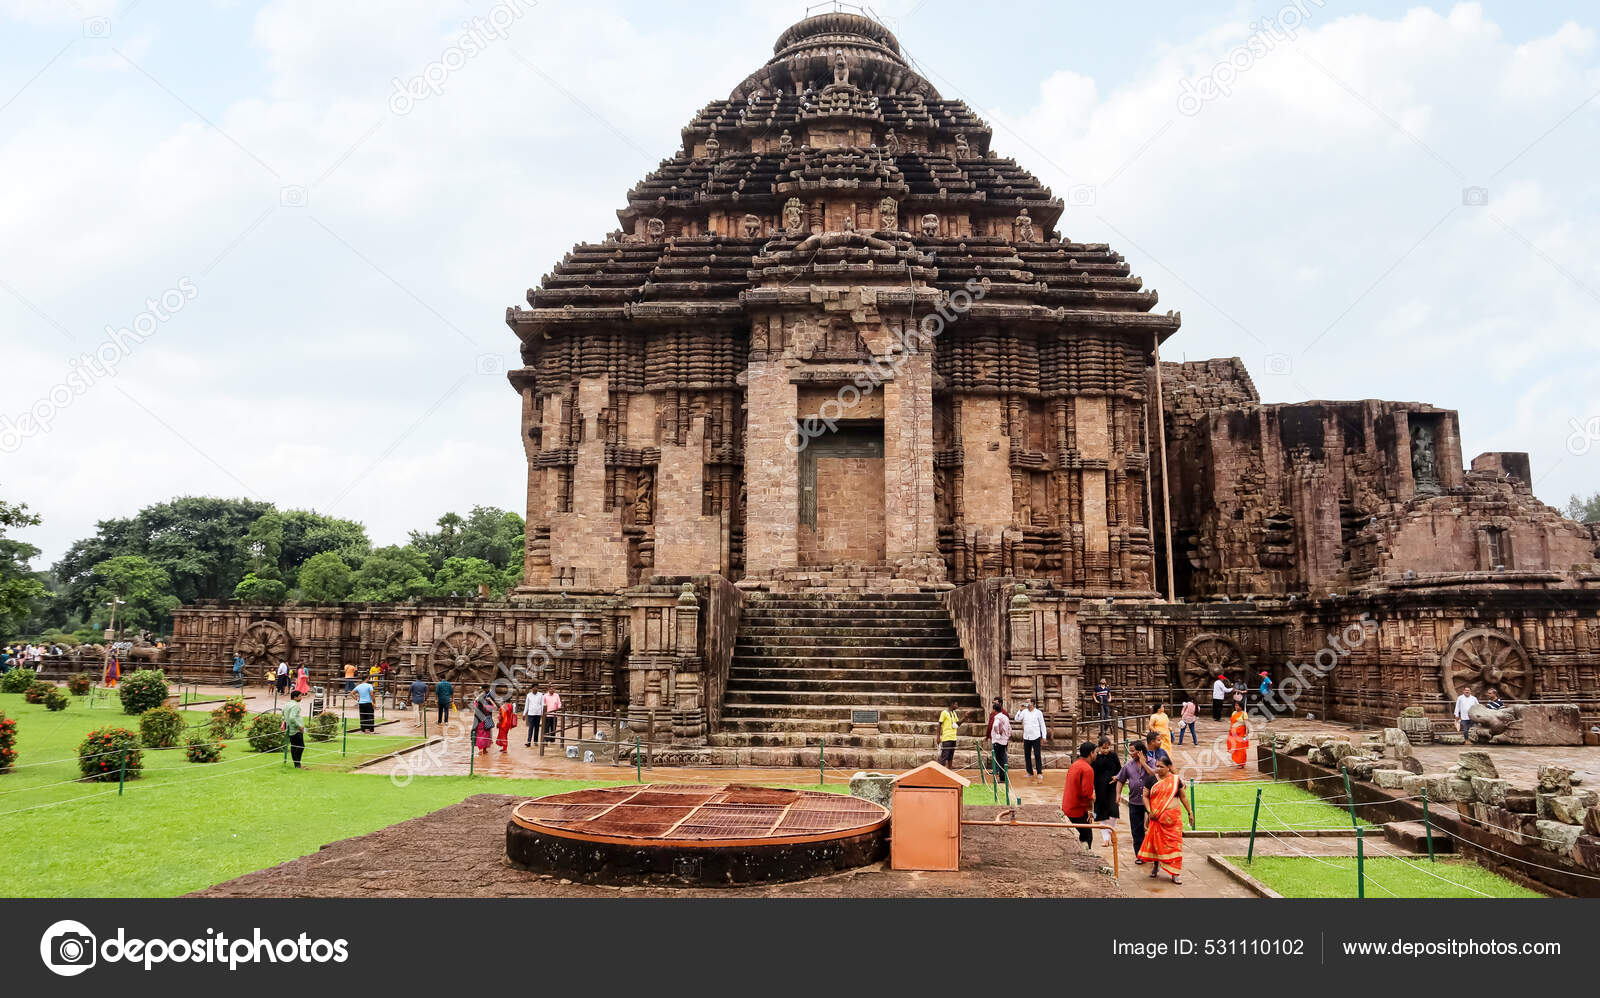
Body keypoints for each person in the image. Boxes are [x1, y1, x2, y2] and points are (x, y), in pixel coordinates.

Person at [1139, 755, 1194, 884]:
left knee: (1175, 845)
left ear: (1169, 767)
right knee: (1157, 843)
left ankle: (1175, 874)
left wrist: (1190, 812)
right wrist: (1149, 811)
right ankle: (1156, 866)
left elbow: (1183, 797)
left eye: (1161, 767)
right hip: (1156, 819)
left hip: (1174, 821)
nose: (1158, 769)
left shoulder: (1176, 780)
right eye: (1156, 766)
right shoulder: (1151, 779)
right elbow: (1145, 797)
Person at [1116, 740, 1154, 862]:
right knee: (1136, 830)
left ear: (1140, 752)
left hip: (1151, 802)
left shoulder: (1153, 762)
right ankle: (1140, 855)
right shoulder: (1128, 766)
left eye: (1132, 751)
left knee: (1153, 828)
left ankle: (1153, 853)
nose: (1130, 753)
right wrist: (1118, 794)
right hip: (1135, 801)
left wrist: (1144, 763)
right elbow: (1120, 780)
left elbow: (1154, 776)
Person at [1061, 742, 1097, 850]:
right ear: (1091, 753)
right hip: (1078, 810)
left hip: (1068, 807)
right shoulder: (1087, 769)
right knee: (1087, 837)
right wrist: (1090, 809)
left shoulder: (1074, 765)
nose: (1096, 754)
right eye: (1095, 752)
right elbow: (1087, 794)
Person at [1092, 737, 1121, 848]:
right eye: (1103, 748)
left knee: (1113, 811)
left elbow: (1120, 769)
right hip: (1100, 788)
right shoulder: (1096, 758)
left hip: (1112, 787)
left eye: (1107, 748)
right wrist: (1093, 790)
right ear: (1099, 747)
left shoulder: (1113, 756)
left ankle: (1110, 832)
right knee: (1102, 814)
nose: (1105, 750)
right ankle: (1105, 838)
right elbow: (1092, 773)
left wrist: (1117, 777)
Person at [1016, 698, 1047, 778]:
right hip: (1026, 737)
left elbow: (1042, 724)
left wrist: (1044, 736)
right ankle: (1029, 772)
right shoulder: (1024, 712)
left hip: (1036, 736)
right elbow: (1017, 719)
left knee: (1037, 754)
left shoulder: (1038, 712)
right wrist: (1020, 710)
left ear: (1032, 703)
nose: (1026, 703)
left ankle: (1039, 772)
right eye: (1026, 702)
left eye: (1028, 702)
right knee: (1027, 755)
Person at [988, 699, 1011, 785]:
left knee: (1000, 760)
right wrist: (1007, 735)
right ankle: (1003, 776)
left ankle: (1002, 778)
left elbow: (995, 725)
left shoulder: (998, 717)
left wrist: (998, 732)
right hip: (1004, 740)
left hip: (998, 741)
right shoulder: (1005, 717)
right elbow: (1009, 727)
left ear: (994, 710)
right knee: (1002, 759)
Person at [283, 689, 306, 768]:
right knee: (300, 746)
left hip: (290, 728)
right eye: (300, 696)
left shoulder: (287, 704)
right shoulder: (295, 705)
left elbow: (283, 713)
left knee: (294, 746)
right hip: (296, 729)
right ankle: (297, 764)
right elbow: (292, 718)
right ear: (295, 697)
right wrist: (299, 726)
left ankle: (296, 764)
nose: (301, 698)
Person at [936, 699, 961, 768]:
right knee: (944, 756)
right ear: (952, 704)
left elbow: (957, 724)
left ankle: (950, 772)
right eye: (956, 704)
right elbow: (939, 725)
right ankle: (940, 772)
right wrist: (938, 737)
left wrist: (965, 718)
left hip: (953, 738)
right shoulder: (944, 712)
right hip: (947, 738)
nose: (957, 706)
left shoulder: (954, 713)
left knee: (950, 757)